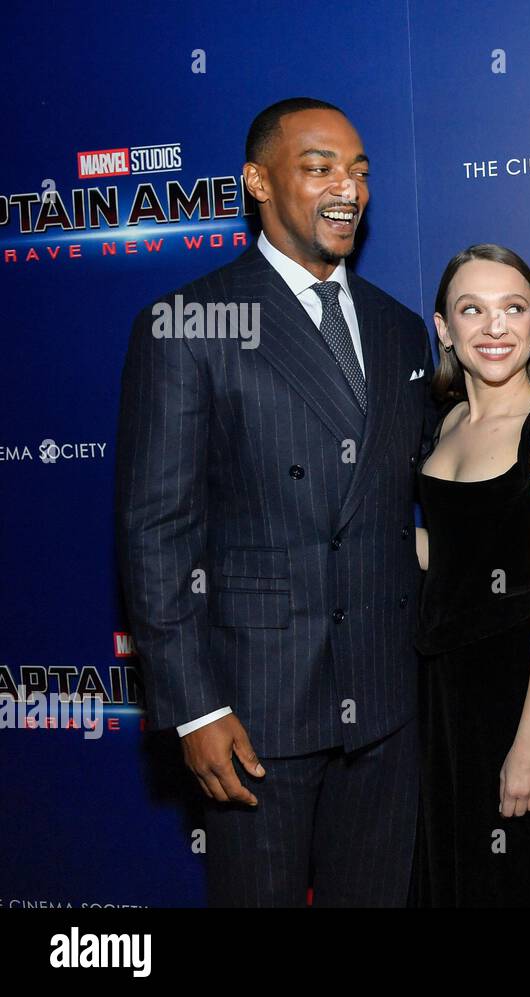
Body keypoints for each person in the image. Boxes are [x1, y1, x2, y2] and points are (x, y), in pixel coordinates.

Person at [116, 97, 433, 906]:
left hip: (387, 713)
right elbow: (156, 532)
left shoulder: (400, 330)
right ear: (258, 180)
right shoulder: (188, 324)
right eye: (320, 166)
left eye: (359, 171)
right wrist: (193, 709)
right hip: (257, 716)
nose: (347, 188)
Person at [409, 244, 530, 907]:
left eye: (513, 309)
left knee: (522, 874)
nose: (495, 328)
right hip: (441, 689)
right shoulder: (447, 421)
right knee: (454, 869)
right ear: (444, 328)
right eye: (473, 310)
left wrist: (529, 741)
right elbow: (453, 552)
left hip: (514, 691)